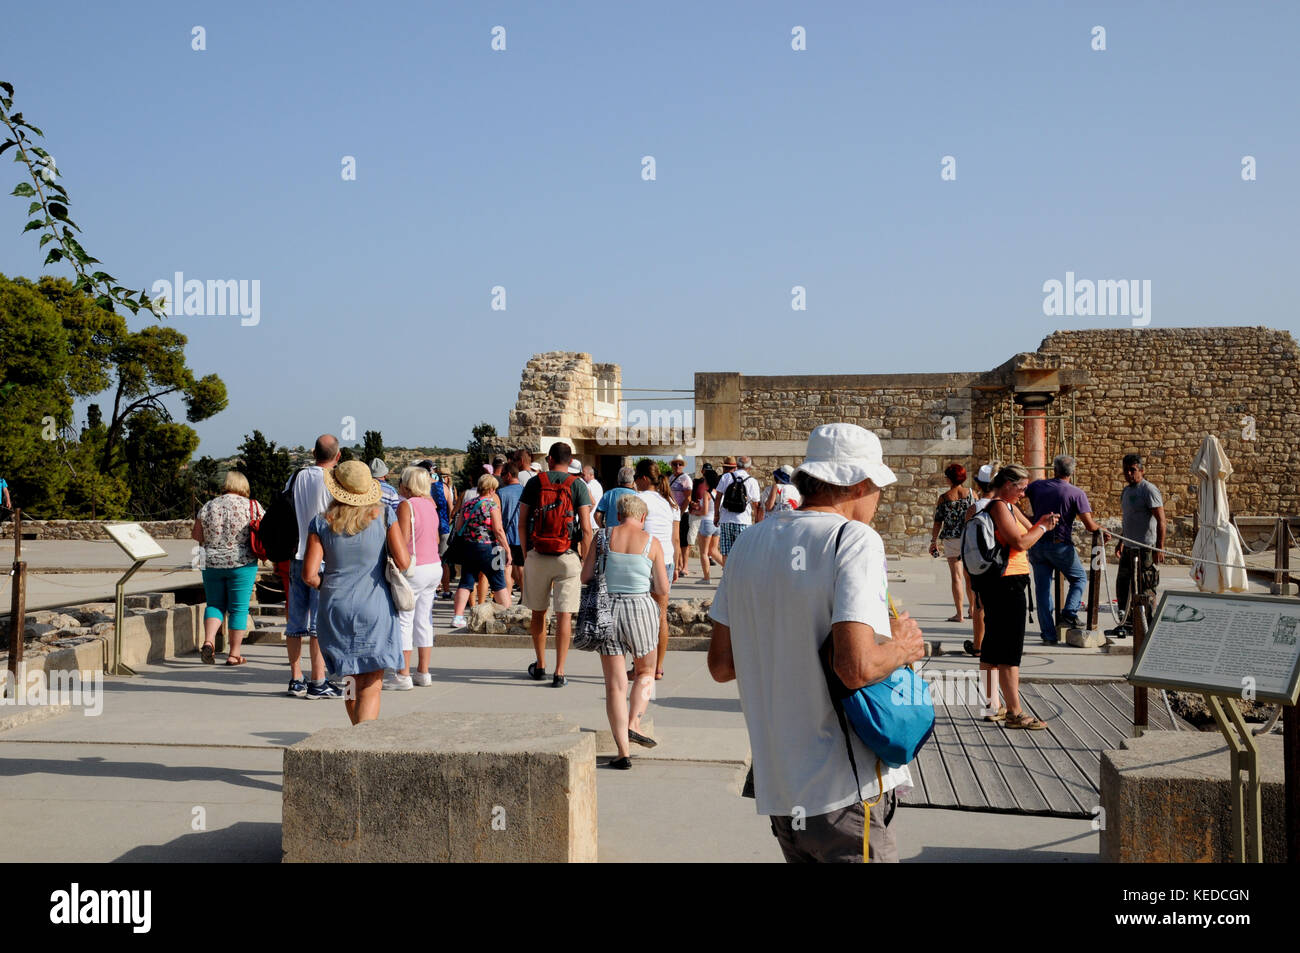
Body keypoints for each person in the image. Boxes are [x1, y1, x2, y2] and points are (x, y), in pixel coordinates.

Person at [707, 423, 925, 862]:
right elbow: (856, 667)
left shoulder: (749, 541)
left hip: (782, 790)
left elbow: (721, 664)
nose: (876, 502)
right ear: (859, 482)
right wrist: (904, 646)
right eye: (876, 489)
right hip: (844, 787)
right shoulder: (853, 539)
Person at [302, 460, 410, 724]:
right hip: (375, 607)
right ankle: (362, 748)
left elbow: (309, 574)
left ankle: (355, 741)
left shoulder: (321, 522)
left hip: (335, 607)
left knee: (350, 680)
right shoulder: (384, 515)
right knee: (371, 684)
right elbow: (404, 562)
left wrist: (327, 584)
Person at [581, 493, 670, 769]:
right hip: (640, 609)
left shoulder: (602, 536)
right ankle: (635, 722)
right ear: (643, 518)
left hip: (607, 609)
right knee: (645, 671)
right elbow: (663, 589)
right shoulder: (652, 543)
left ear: (619, 515)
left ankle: (622, 753)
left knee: (615, 684)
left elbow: (585, 577)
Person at [972, 464, 1058, 730]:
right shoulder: (998, 507)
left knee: (992, 646)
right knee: (1009, 650)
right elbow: (1021, 542)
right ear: (1008, 484)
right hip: (1007, 583)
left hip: (1000, 582)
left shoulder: (1004, 507)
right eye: (1021, 489)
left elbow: (1029, 529)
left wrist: (1041, 525)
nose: (1023, 494)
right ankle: (1015, 712)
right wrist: (1042, 528)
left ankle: (991, 706)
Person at [518, 441, 593, 688]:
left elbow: (522, 522)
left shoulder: (534, 482)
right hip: (568, 556)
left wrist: (527, 551)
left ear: (549, 459)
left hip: (538, 554)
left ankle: (540, 665)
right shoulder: (578, 485)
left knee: (538, 613)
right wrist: (586, 559)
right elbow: (586, 528)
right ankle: (560, 671)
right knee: (564, 615)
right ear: (570, 461)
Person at [284, 435, 344, 699]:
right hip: (322, 558)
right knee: (319, 624)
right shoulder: (332, 480)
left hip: (296, 553)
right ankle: (319, 680)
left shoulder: (296, 476)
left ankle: (296, 677)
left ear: (313, 453)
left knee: (295, 621)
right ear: (337, 456)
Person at [1024, 455, 1103, 644]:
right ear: (1072, 472)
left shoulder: (1037, 487)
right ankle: (1069, 612)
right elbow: (1090, 525)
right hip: (1060, 544)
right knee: (1079, 578)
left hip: (1037, 541)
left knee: (1042, 590)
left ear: (1054, 469)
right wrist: (1103, 530)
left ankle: (1048, 635)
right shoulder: (1076, 493)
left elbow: (1021, 494)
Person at [191, 471, 263, 665]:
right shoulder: (253, 506)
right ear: (244, 486)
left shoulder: (209, 505)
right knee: (238, 609)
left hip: (212, 562)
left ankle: (208, 641)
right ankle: (234, 654)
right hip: (242, 563)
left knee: (214, 604)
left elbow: (197, 535)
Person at [389, 466, 442, 689]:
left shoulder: (406, 505)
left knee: (404, 620)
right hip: (433, 565)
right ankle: (424, 671)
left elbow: (402, 539)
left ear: (408, 484)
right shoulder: (431, 505)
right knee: (424, 619)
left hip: (414, 568)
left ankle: (403, 674)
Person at [1109, 453, 1165, 639]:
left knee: (1146, 587)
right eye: (1126, 470)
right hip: (1129, 546)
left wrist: (1159, 548)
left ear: (1141, 470)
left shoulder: (1148, 490)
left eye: (1133, 470)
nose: (1129, 473)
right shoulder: (1126, 492)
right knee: (1123, 585)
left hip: (1146, 548)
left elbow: (1161, 520)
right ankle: (1126, 623)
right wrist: (1120, 542)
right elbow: (1128, 520)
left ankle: (1148, 624)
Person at [451, 473, 513, 627]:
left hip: (469, 547)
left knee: (466, 582)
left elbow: (459, 527)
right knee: (498, 582)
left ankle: (457, 617)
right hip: (489, 548)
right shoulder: (492, 505)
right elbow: (498, 530)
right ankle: (509, 615)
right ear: (491, 489)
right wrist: (507, 550)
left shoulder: (467, 504)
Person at [635, 461, 678, 680]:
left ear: (643, 478)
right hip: (667, 560)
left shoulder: (638, 500)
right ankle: (658, 667)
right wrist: (678, 564)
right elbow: (675, 538)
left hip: (644, 560)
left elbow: (634, 531)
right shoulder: (670, 503)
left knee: (639, 616)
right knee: (661, 616)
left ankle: (641, 667)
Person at [929, 463, 976, 624]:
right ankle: (972, 609)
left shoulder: (944, 498)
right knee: (969, 577)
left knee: (956, 577)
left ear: (949, 479)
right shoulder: (971, 494)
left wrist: (933, 541)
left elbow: (937, 522)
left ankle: (959, 614)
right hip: (969, 539)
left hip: (951, 540)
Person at [962, 464, 998, 658]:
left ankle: (978, 645)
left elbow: (967, 537)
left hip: (980, 561)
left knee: (979, 604)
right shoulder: (1004, 506)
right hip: (1000, 561)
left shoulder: (974, 508)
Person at [713, 455, 760, 564]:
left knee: (726, 552)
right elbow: (756, 504)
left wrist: (716, 515)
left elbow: (718, 497)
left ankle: (727, 576)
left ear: (737, 465)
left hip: (725, 520)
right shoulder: (752, 481)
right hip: (743, 521)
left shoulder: (726, 477)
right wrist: (757, 521)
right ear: (749, 467)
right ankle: (740, 577)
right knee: (743, 552)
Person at [497, 462, 526, 594]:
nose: (501, 478)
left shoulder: (500, 493)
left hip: (505, 537)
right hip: (522, 537)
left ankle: (506, 600)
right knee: (521, 568)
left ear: (508, 475)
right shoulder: (526, 491)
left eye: (503, 475)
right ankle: (526, 597)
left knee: (506, 569)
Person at [689, 463, 721, 581]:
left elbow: (704, 511)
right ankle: (727, 568)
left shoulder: (706, 493)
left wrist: (695, 512)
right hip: (716, 523)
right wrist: (699, 506)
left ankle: (706, 578)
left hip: (707, 522)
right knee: (714, 551)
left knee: (704, 552)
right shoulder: (717, 493)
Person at [668, 454, 692, 575]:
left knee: (683, 541)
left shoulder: (686, 479)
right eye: (675, 464)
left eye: (680, 464)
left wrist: (681, 512)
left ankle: (685, 566)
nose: (677, 466)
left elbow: (688, 498)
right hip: (673, 512)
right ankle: (680, 564)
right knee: (674, 539)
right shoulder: (671, 477)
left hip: (682, 512)